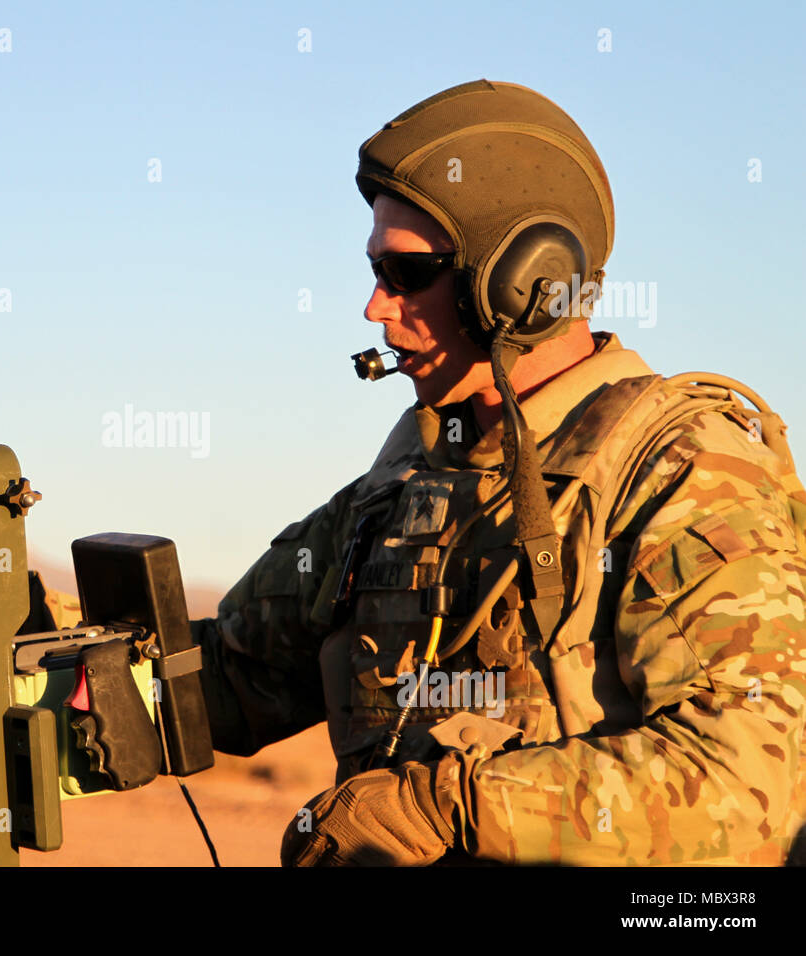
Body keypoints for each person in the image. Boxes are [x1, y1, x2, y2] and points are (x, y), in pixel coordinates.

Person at [190, 79, 806, 866]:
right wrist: (46, 657)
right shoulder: (404, 485)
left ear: (523, 283)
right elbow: (226, 678)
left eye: (407, 274)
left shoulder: (685, 471)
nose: (376, 309)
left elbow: (745, 783)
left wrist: (442, 811)